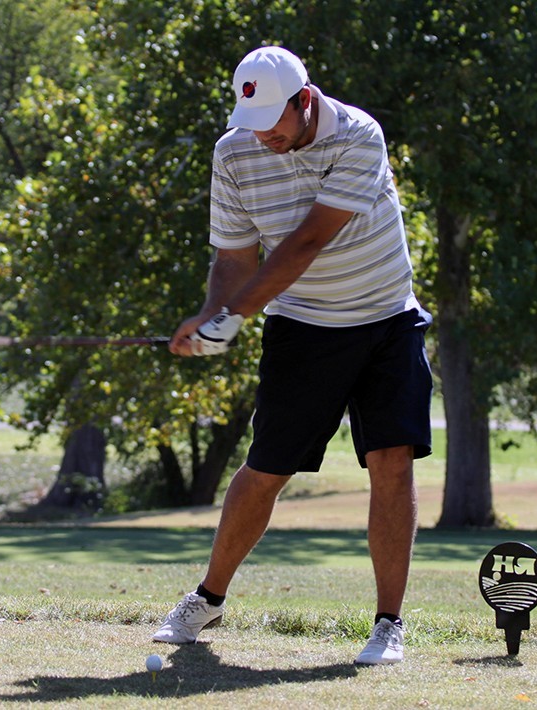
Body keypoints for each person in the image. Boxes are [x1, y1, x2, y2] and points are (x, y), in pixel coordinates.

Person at [153, 46, 433, 665]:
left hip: (387, 318)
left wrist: (233, 317)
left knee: (392, 461)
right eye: (253, 125)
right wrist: (209, 316)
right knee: (267, 469)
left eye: (275, 123)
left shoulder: (359, 135)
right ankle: (208, 597)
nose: (265, 138)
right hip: (303, 327)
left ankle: (388, 624)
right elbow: (233, 256)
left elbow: (306, 240)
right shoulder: (235, 151)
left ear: (306, 101)